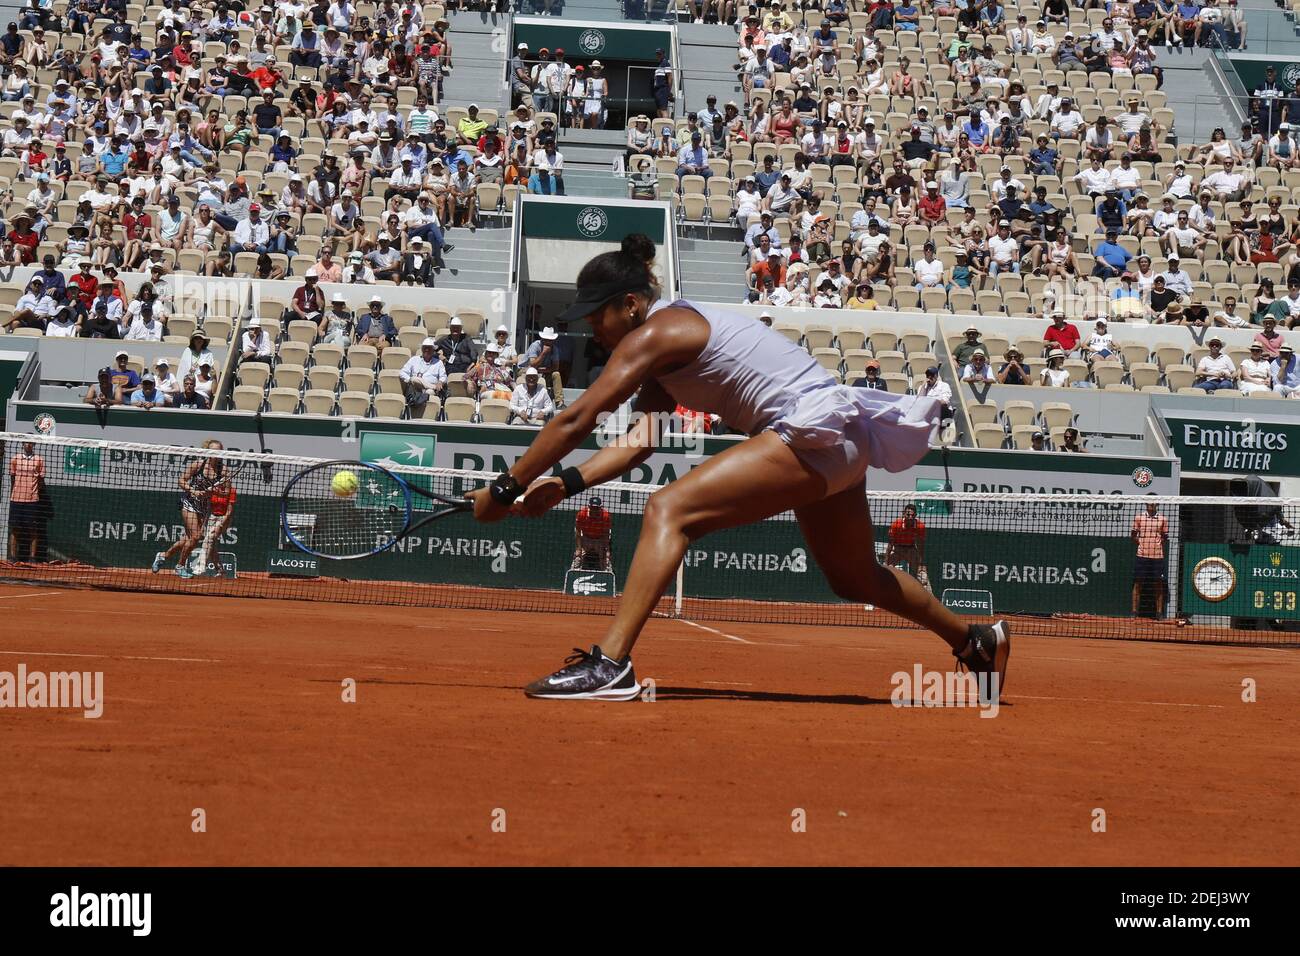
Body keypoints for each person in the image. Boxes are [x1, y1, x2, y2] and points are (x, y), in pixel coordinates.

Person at [466, 234, 1009, 699]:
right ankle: (976, 641)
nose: (592, 330)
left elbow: (578, 418)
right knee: (854, 578)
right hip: (839, 437)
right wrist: (563, 484)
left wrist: (505, 486)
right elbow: (640, 443)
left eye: (595, 316)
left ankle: (610, 665)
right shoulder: (662, 349)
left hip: (812, 432)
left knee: (668, 509)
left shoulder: (656, 332)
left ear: (630, 304)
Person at [152, 439, 227, 579]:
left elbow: (226, 492)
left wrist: (213, 491)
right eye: (213, 451)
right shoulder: (198, 464)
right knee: (196, 536)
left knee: (187, 538)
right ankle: (180, 566)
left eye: (219, 451)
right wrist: (193, 490)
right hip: (189, 503)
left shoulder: (223, 470)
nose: (216, 454)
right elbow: (181, 480)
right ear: (208, 452)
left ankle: (163, 555)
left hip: (204, 507)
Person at [7, 440, 45, 562]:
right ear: (22, 444)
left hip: (32, 500)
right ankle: (13, 557)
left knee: (32, 529)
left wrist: (33, 492)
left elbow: (40, 481)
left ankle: (32, 558)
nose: (28, 445)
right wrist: (17, 491)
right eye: (26, 442)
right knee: (15, 528)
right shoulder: (15, 459)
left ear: (34, 444)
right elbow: (12, 477)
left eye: (30, 443)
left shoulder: (39, 460)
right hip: (16, 499)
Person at [1131, 498, 1168, 619]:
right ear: (1146, 503)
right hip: (1141, 556)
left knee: (1158, 584)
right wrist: (1142, 544)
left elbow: (1164, 537)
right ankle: (1134, 612)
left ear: (1157, 504)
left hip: (1157, 557)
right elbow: (1133, 535)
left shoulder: (1163, 519)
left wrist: (1157, 545)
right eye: (1149, 502)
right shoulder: (1139, 518)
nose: (1151, 504)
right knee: (1138, 583)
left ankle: (1159, 613)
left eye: (1153, 502)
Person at [399, 338, 448, 418]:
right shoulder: (414, 360)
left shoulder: (438, 363)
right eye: (425, 347)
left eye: (429, 348)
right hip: (415, 388)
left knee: (429, 392)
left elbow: (444, 377)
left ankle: (426, 417)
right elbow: (402, 373)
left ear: (433, 350)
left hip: (430, 391)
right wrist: (409, 380)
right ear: (422, 349)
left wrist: (440, 382)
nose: (427, 350)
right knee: (414, 379)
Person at [884, 503, 928, 588]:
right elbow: (890, 545)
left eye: (913, 515)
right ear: (904, 514)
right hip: (897, 550)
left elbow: (920, 545)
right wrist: (886, 562)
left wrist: (920, 562)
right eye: (908, 514)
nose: (910, 517)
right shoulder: (896, 524)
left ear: (916, 515)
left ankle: (919, 590)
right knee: (887, 570)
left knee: (922, 575)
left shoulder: (920, 526)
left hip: (910, 549)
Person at [572, 495, 612, 571]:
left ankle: (607, 574)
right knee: (578, 557)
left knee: (606, 559)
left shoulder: (606, 516)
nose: (594, 510)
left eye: (597, 508)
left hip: (600, 539)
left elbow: (606, 534)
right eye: (593, 507)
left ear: (600, 508)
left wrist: (607, 550)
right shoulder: (581, 514)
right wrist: (578, 548)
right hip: (586, 539)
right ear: (589, 507)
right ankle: (574, 572)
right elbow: (577, 532)